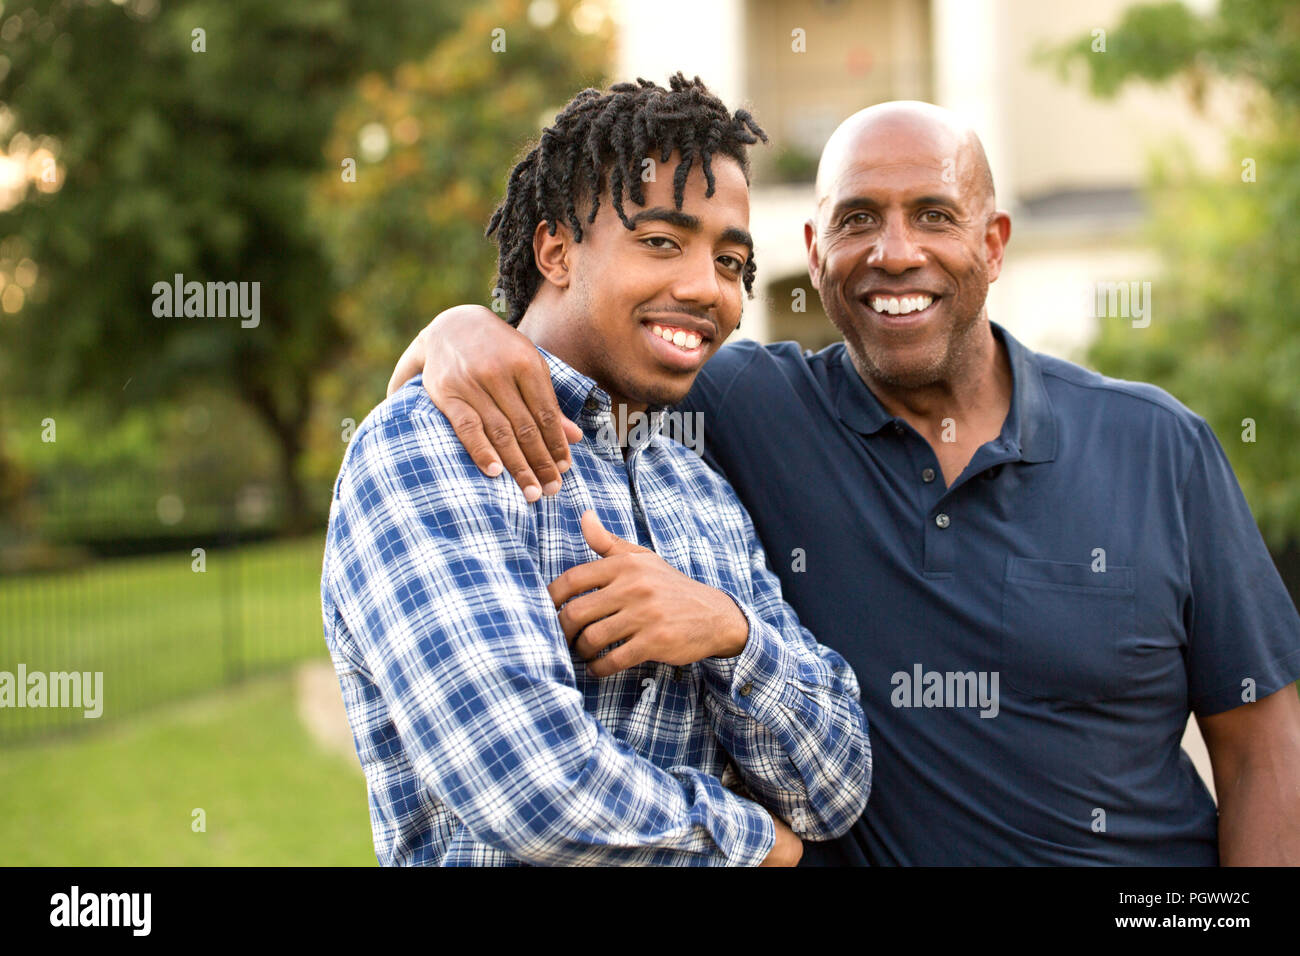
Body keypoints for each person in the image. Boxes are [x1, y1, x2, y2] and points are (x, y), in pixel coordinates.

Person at [387, 100, 1300, 865]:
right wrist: (461, 328)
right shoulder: (743, 406)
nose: (895, 252)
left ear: (995, 241)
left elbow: (1264, 749)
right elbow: (597, 333)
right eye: (859, 219)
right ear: (818, 251)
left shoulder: (1158, 446)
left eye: (935, 215)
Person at [321, 74, 871, 867]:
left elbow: (838, 788)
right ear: (555, 249)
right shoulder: (431, 448)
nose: (702, 287)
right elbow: (531, 788)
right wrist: (761, 849)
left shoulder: (702, 489)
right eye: (660, 242)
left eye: (729, 261)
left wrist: (730, 632)